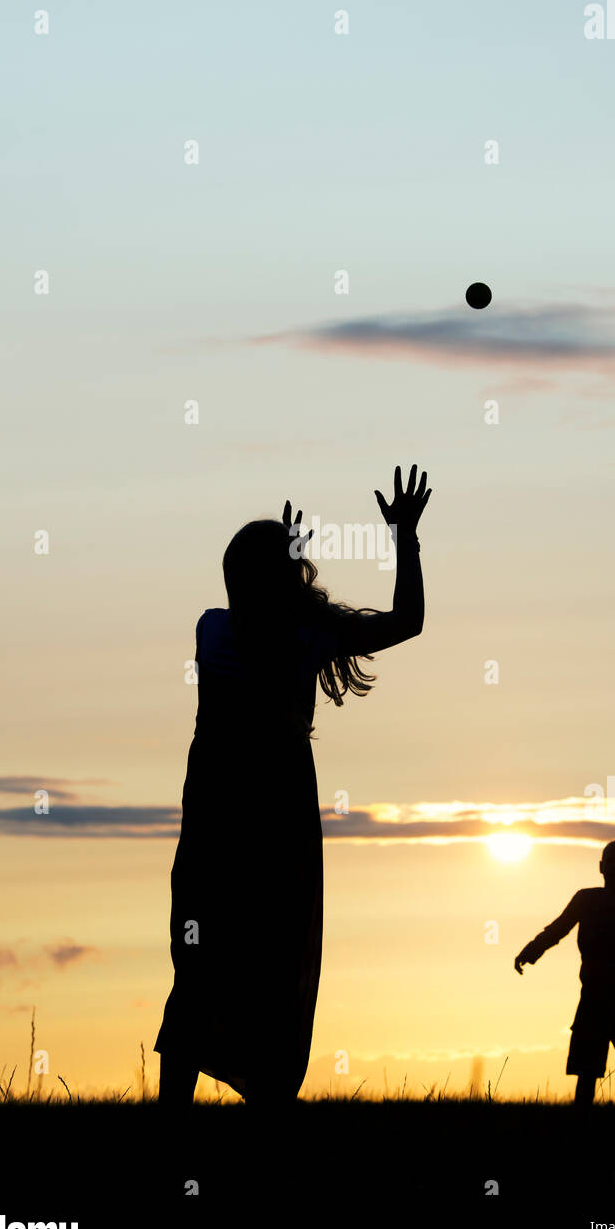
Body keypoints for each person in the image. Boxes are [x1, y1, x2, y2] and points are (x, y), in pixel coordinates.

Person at [154, 464, 432, 1110]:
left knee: (198, 960)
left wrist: (290, 569)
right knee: (275, 958)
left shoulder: (210, 629)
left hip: (217, 812)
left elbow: (261, 620)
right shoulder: (307, 633)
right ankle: (269, 1102)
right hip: (277, 812)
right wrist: (405, 539)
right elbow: (407, 620)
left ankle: (171, 1114)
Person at [514, 838, 615, 1109]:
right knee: (587, 1068)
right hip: (593, 997)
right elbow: (557, 929)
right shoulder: (585, 900)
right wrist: (531, 951)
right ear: (601, 866)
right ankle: (581, 1125)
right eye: (611, 860)